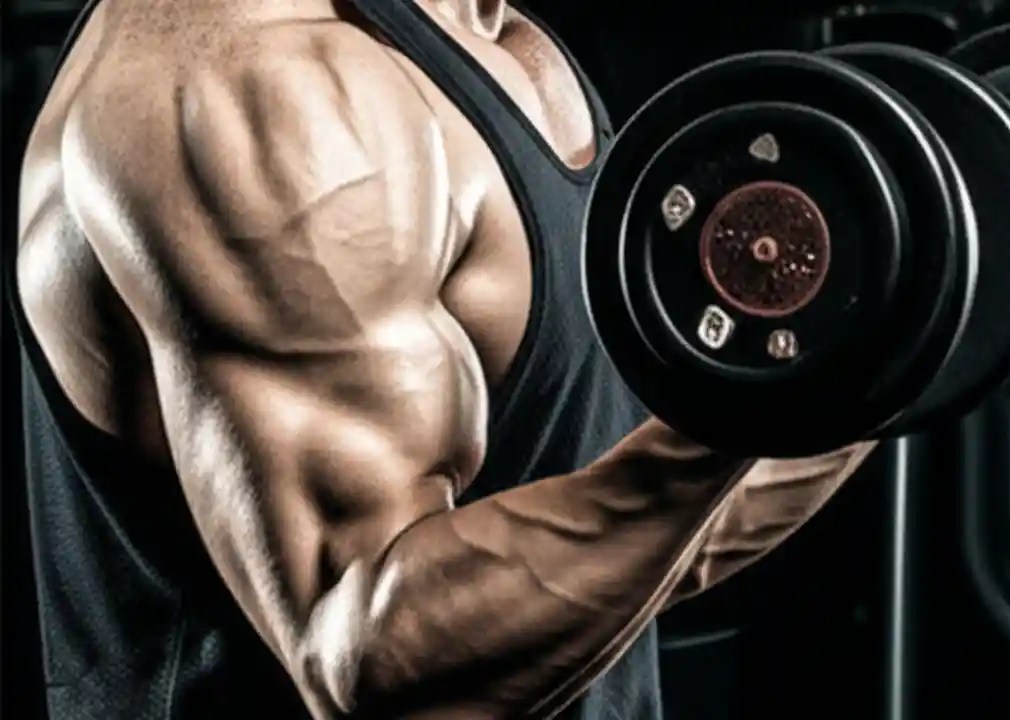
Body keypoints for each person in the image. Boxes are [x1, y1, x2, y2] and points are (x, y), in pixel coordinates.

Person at [10, 0, 877, 717]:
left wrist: (885, 355)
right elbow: (368, 662)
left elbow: (629, 537)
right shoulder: (255, 87)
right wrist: (739, 420)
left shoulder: (489, 38)